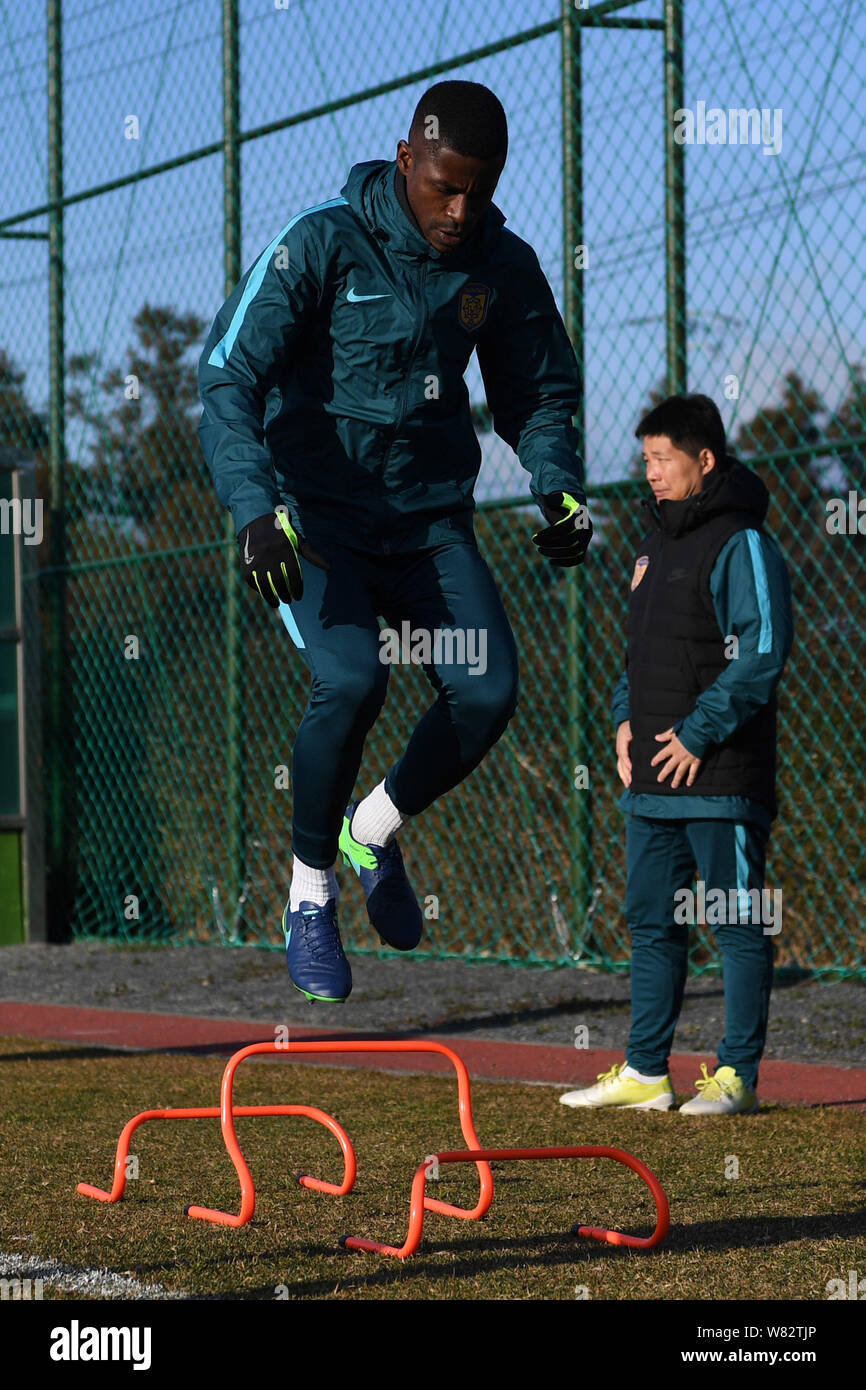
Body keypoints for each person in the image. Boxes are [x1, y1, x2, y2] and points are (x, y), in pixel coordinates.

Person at [198, 80, 592, 1003]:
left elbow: (538, 392)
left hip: (424, 524)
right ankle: (308, 892)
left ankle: (369, 830)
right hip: (316, 519)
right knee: (354, 678)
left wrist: (559, 485)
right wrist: (256, 506)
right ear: (407, 159)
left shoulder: (501, 262)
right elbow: (227, 377)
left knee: (489, 687)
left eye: (479, 191)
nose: (460, 210)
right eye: (444, 186)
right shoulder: (322, 240)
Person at [560, 394, 793, 1115]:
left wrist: (697, 733)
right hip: (651, 785)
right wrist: (626, 724)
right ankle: (645, 1071)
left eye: (662, 459)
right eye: (647, 458)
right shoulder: (651, 546)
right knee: (653, 922)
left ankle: (736, 1077)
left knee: (736, 922)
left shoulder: (744, 542)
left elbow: (760, 653)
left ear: (705, 460)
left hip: (720, 778)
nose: (650, 471)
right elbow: (639, 659)